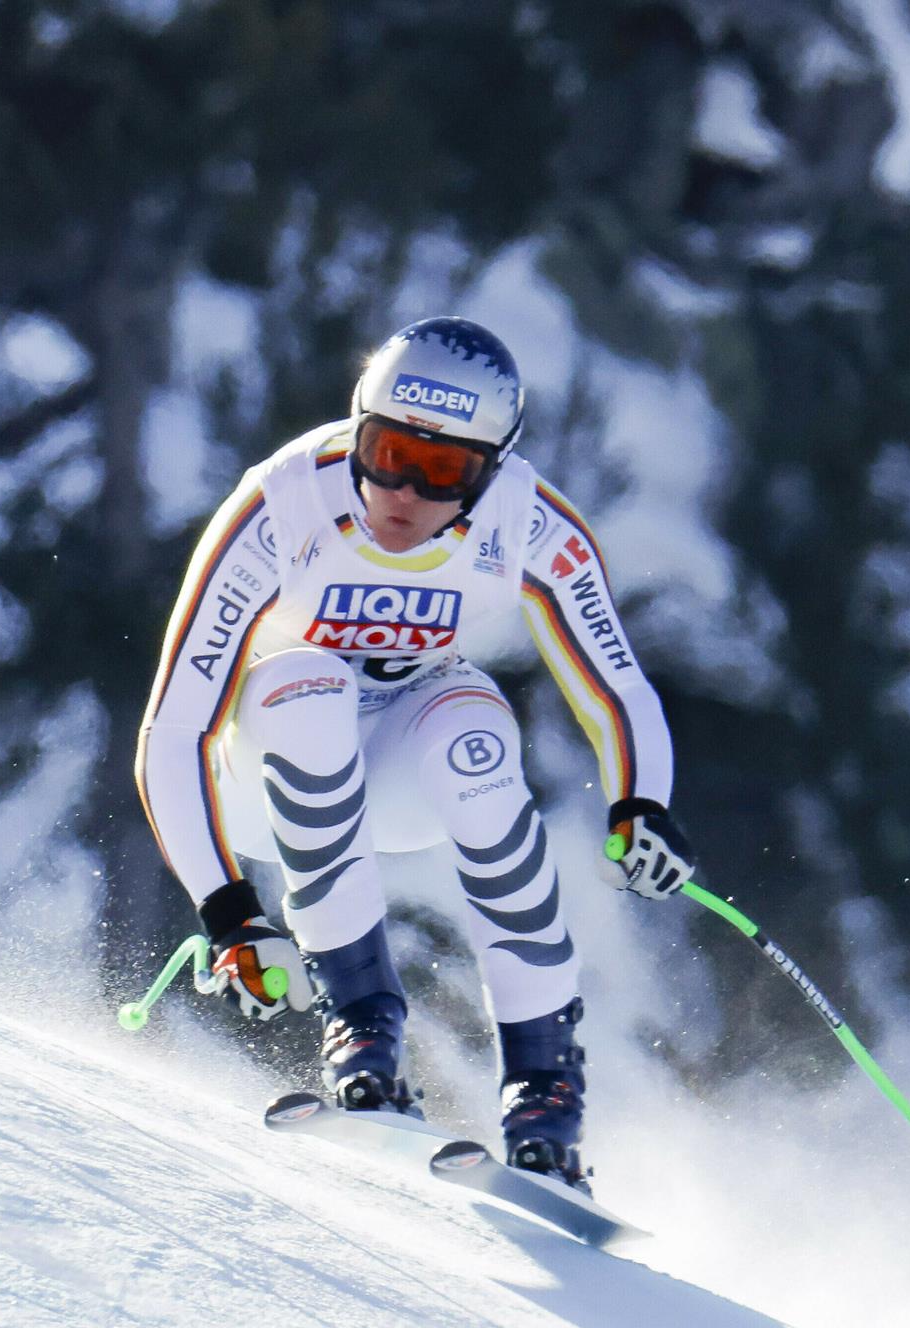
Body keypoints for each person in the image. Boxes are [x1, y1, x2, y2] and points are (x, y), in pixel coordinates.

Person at [133, 317, 697, 1188]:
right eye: (388, 452)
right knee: (311, 685)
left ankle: (546, 1096)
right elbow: (173, 732)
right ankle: (360, 1028)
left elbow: (615, 686)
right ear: (358, 429)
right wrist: (230, 915)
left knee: (476, 731)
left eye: (443, 471)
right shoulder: (281, 505)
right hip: (259, 781)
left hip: (400, 771)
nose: (403, 493)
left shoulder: (530, 523)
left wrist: (641, 805)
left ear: (492, 469)